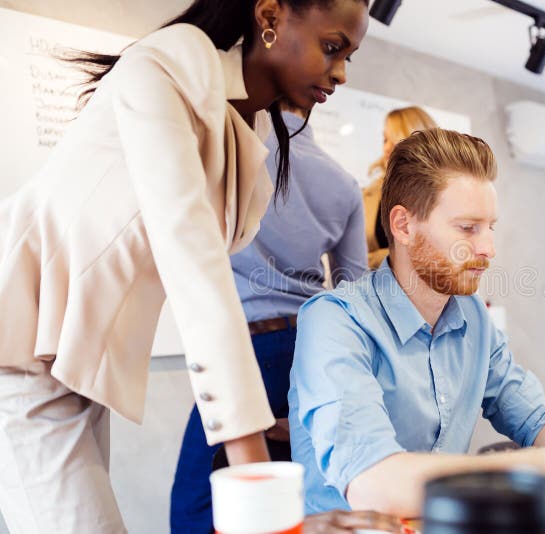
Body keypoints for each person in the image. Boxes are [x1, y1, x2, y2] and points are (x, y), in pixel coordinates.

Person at [0, 0, 379, 532]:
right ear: (270, 16)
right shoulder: (174, 62)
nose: (341, 73)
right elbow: (193, 262)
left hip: (70, 362)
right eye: (332, 47)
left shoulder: (246, 127)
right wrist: (257, 476)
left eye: (348, 56)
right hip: (20, 345)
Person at [288, 128, 545, 517]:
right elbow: (374, 484)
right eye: (468, 228)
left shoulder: (472, 316)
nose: (488, 249)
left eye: (489, 227)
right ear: (404, 226)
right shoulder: (334, 321)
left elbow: (537, 424)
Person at [170, 101, 369, 532]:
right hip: (313, 352)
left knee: (196, 505)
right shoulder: (343, 182)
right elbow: (354, 295)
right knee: (287, 498)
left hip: (247, 353)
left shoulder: (235, 150)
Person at [363, 106, 437, 269]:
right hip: (374, 284)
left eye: (394, 139)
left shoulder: (442, 195)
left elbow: (438, 253)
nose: (387, 148)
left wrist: (378, 258)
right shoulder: (367, 196)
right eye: (385, 140)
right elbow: (356, 258)